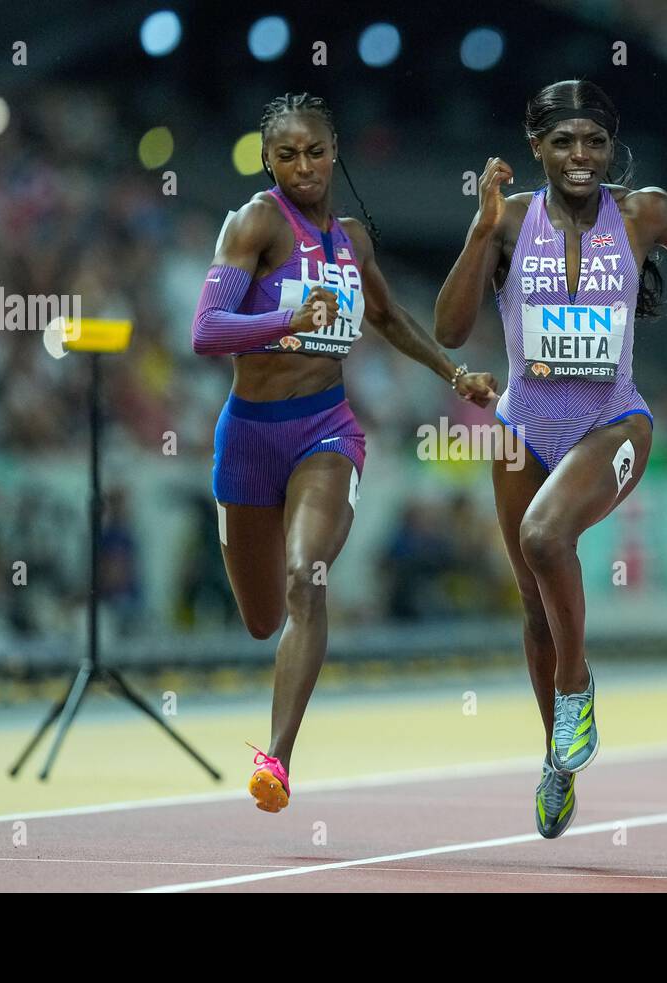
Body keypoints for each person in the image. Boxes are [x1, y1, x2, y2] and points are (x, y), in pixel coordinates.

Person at [435, 80, 667, 838]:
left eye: (595, 142)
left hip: (613, 421)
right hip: (521, 429)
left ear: (612, 149)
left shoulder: (643, 213)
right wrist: (479, 232)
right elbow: (447, 330)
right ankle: (556, 761)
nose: (581, 156)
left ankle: (577, 688)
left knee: (545, 537)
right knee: (534, 607)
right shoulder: (507, 221)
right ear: (536, 147)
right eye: (564, 142)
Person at [192, 92, 497, 812]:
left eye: (316, 151)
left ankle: (277, 759)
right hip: (248, 438)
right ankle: (275, 700)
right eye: (287, 154)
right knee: (263, 617)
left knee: (307, 577)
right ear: (269, 161)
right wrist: (283, 318)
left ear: (336, 154)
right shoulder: (256, 223)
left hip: (325, 430)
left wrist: (456, 374)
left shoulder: (353, 242)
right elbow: (206, 330)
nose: (304, 165)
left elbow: (389, 318)